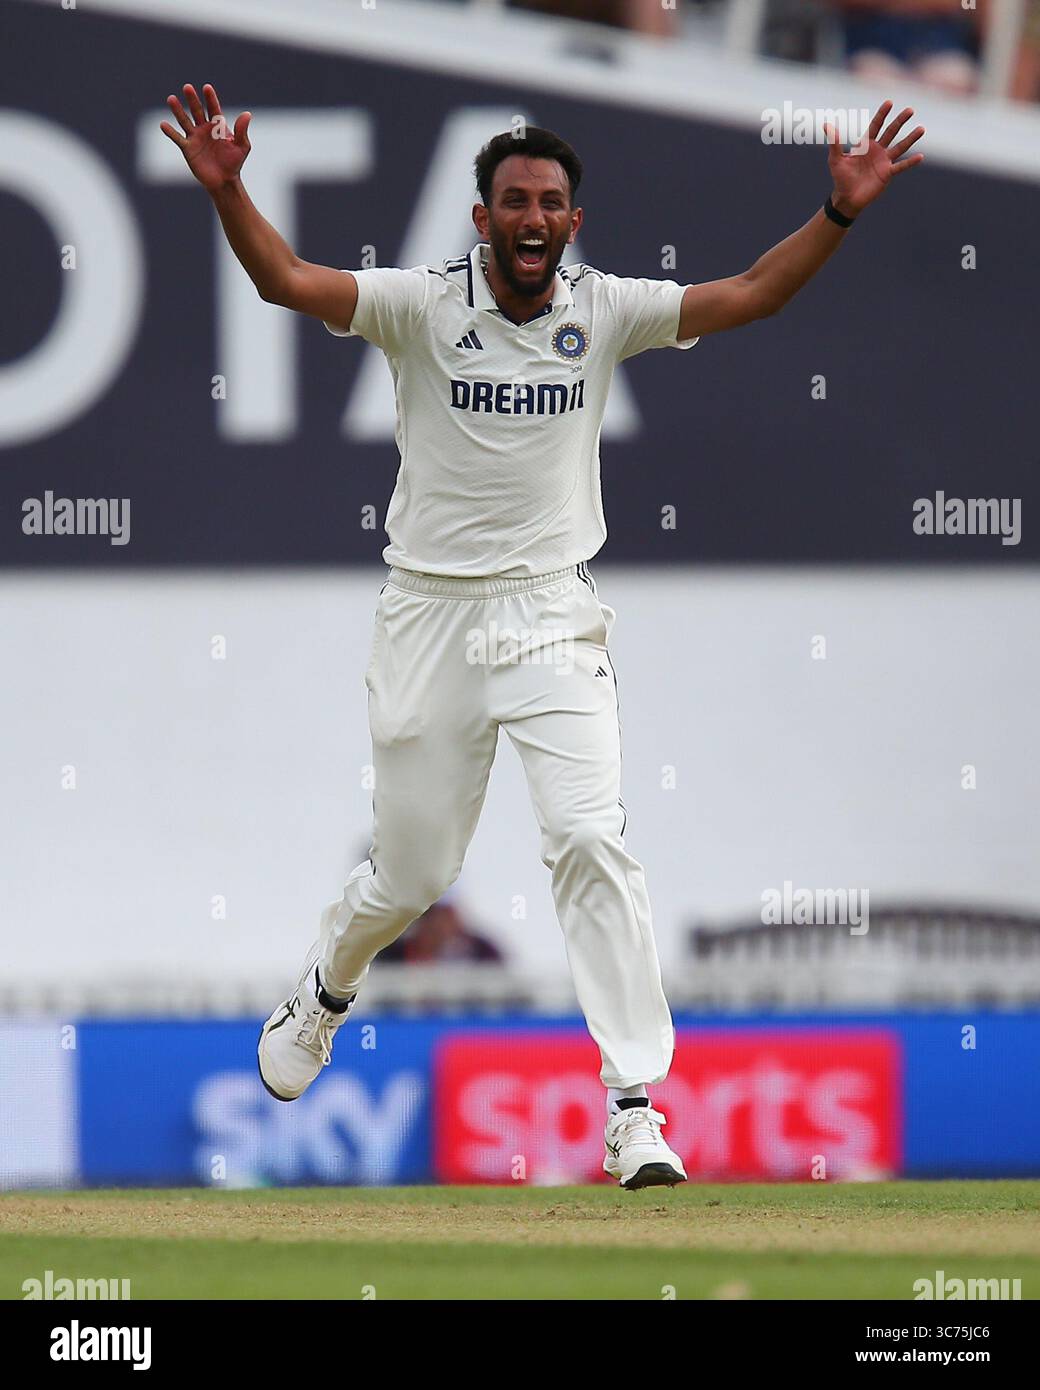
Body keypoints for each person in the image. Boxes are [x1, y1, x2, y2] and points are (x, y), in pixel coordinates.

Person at [161, 86, 923, 1189]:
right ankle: (324, 991)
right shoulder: (419, 306)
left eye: (550, 202)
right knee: (415, 870)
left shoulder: (602, 307)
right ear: (481, 218)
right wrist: (230, 190)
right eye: (511, 199)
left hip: (553, 616)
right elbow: (284, 281)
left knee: (587, 839)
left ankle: (632, 1109)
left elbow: (751, 294)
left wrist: (838, 212)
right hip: (427, 612)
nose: (530, 216)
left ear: (572, 221)